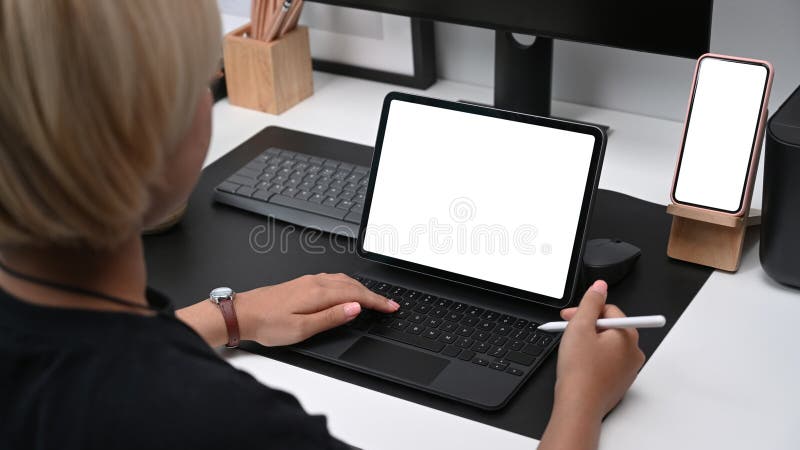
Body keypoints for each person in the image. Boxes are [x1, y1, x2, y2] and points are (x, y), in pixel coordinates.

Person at [0, 1, 644, 449]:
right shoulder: (225, 425)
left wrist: (233, 314)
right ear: (154, 137)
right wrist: (580, 401)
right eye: (202, 80)